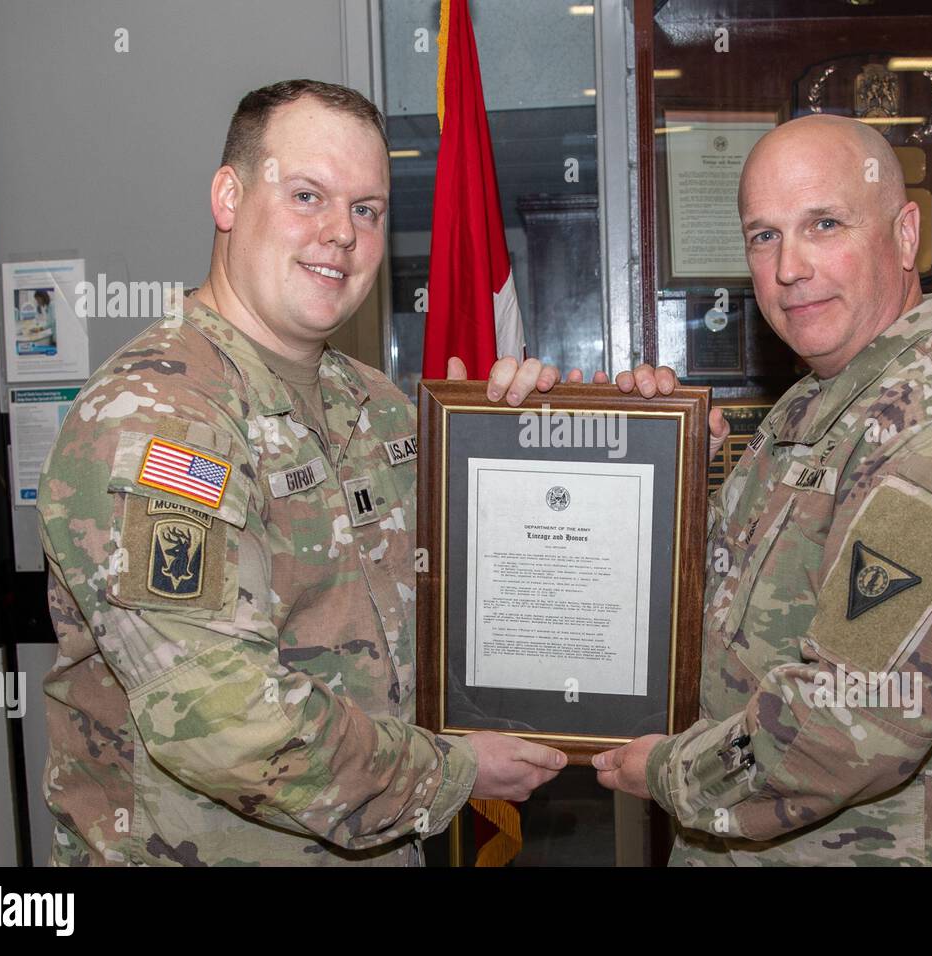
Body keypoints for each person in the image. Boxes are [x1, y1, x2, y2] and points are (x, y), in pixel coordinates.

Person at [37, 79, 572, 866]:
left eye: (366, 209)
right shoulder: (158, 417)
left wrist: (581, 442)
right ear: (228, 195)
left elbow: (478, 599)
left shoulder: (381, 408)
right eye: (307, 195)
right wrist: (455, 770)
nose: (341, 234)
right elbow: (222, 720)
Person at [591, 114, 932, 865]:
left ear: (906, 234)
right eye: (765, 236)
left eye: (824, 224)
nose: (790, 266)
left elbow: (856, 719)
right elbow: (717, 625)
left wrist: (669, 773)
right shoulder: (814, 409)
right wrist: (652, 470)